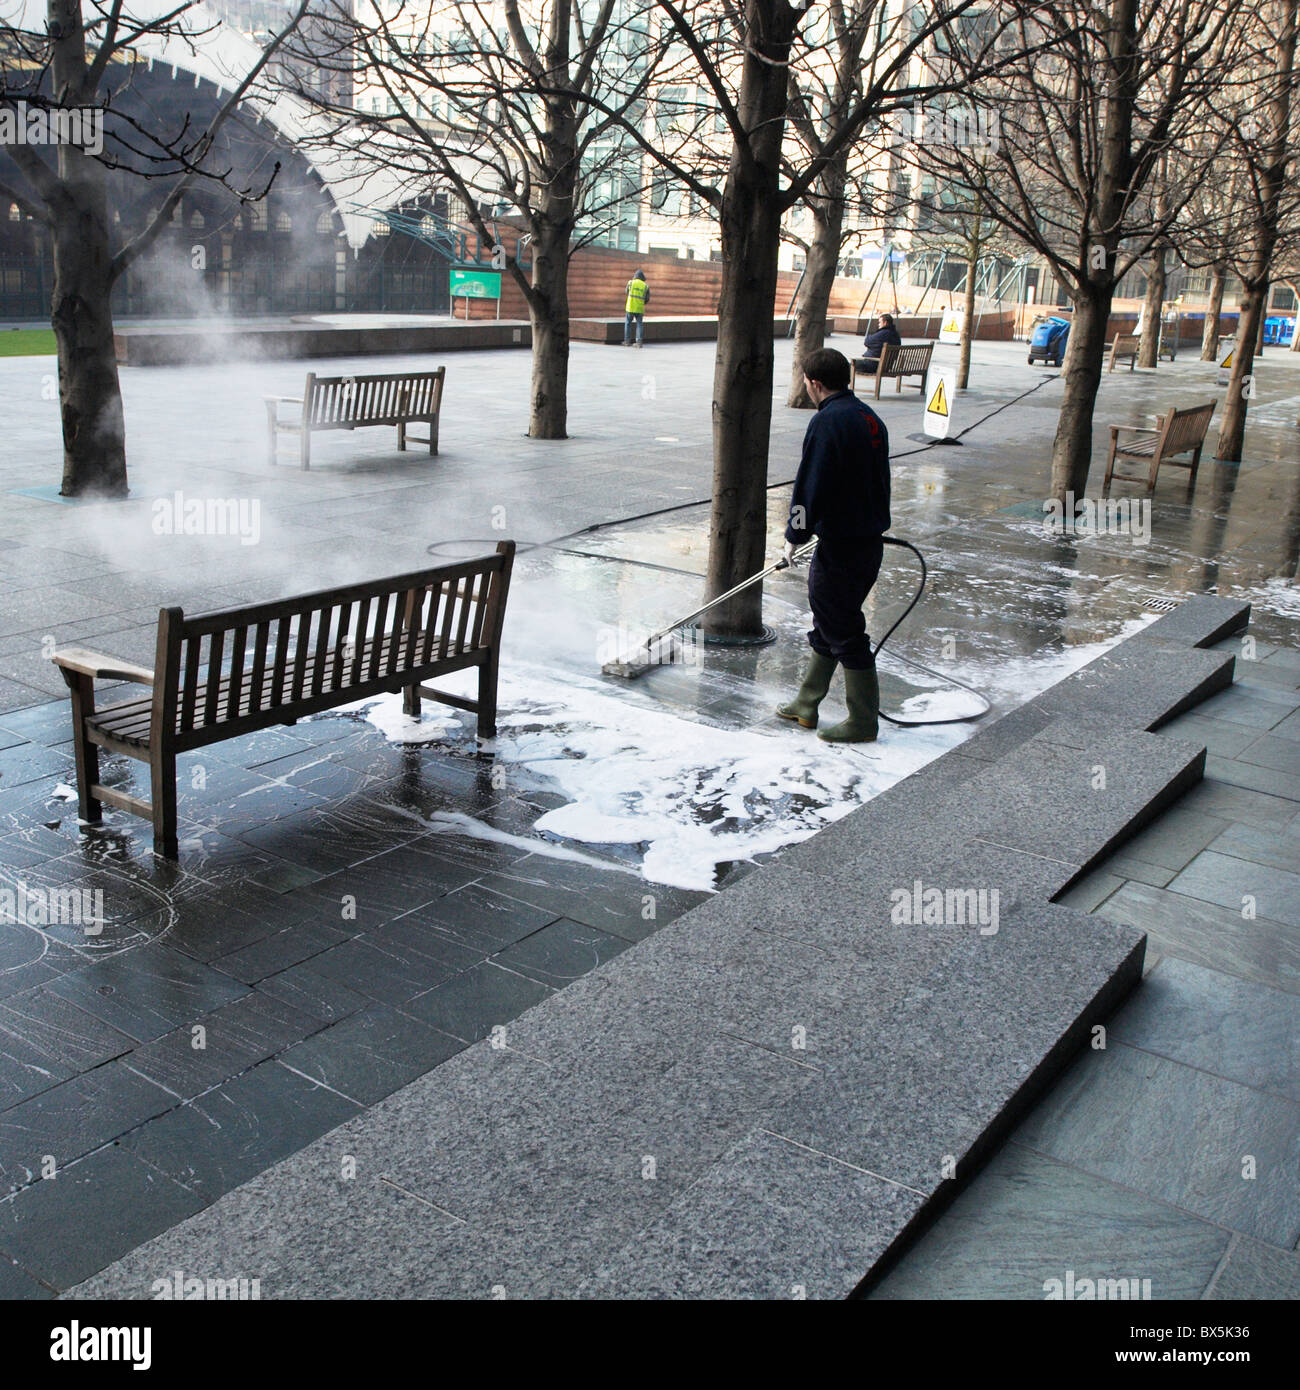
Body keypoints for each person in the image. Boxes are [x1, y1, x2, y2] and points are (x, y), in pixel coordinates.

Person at [776, 347, 891, 743]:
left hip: (842, 547)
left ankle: (863, 722)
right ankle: (807, 704)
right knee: (829, 622)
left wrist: (794, 536)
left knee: (843, 629)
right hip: (866, 542)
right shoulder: (867, 416)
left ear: (815, 383)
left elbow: (810, 485)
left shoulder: (828, 422)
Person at [624, 269, 649, 346]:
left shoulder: (630, 283)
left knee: (628, 323)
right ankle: (639, 342)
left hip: (630, 307)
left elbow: (626, 292)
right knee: (639, 325)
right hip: (639, 308)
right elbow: (647, 299)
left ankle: (627, 341)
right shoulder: (645, 286)